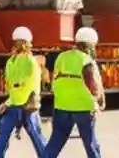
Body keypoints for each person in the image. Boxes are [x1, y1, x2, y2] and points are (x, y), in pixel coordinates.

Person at [43, 26, 105, 158]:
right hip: (83, 107)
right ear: (90, 45)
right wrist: (98, 100)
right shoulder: (86, 60)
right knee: (91, 144)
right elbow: (91, 84)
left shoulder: (61, 57)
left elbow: (54, 79)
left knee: (54, 144)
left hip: (62, 106)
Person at [0, 26, 47, 157]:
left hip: (22, 106)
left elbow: (25, 86)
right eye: (17, 42)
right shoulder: (18, 62)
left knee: (33, 136)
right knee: (6, 135)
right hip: (20, 106)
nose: (18, 45)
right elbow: (18, 87)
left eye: (19, 42)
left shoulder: (20, 62)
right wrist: (7, 103)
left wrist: (10, 103)